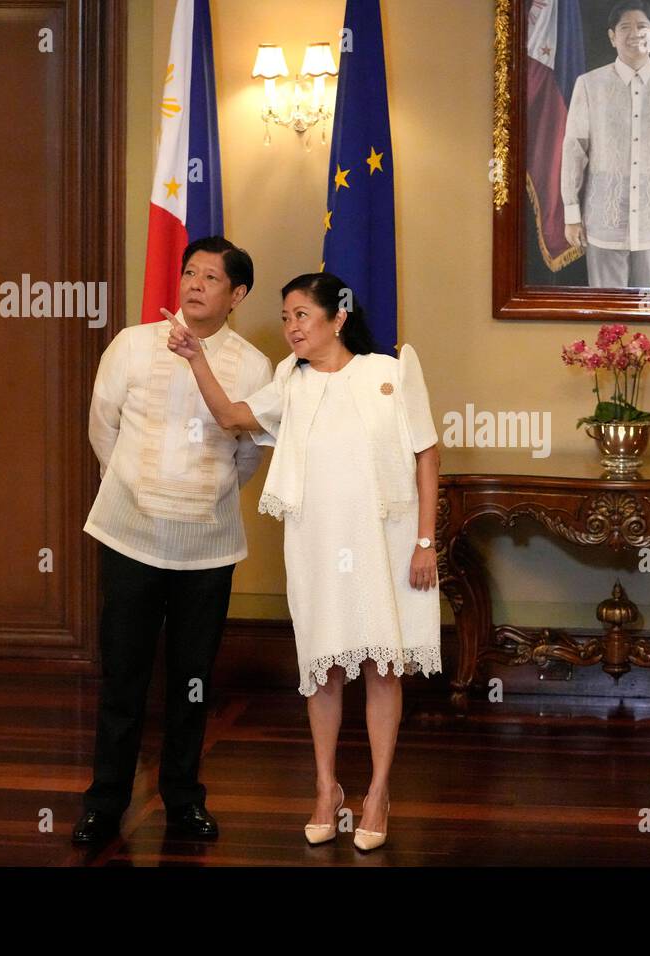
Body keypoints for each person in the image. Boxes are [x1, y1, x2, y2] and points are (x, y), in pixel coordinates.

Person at [168, 272, 441, 853]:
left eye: (301, 315)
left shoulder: (388, 373)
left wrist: (425, 542)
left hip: (384, 542)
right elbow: (232, 417)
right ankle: (326, 789)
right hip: (317, 543)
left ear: (337, 318)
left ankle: (379, 793)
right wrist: (196, 360)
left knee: (382, 666)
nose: (291, 327)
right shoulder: (289, 381)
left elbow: (425, 454)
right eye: (286, 316)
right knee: (323, 666)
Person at [72, 236, 273, 845]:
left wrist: (200, 494)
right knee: (124, 675)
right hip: (130, 534)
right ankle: (105, 801)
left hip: (206, 544)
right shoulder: (132, 345)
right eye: (189, 272)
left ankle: (183, 797)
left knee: (193, 678)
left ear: (236, 295)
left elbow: (249, 453)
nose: (194, 284)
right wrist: (135, 486)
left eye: (211, 278)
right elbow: (101, 425)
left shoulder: (253, 365)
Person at [561, 1, 650, 288]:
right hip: (603, 220)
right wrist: (571, 214)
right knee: (606, 314)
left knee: (646, 312)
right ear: (613, 36)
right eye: (625, 27)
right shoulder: (589, 84)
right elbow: (575, 150)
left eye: (642, 26)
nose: (634, 33)